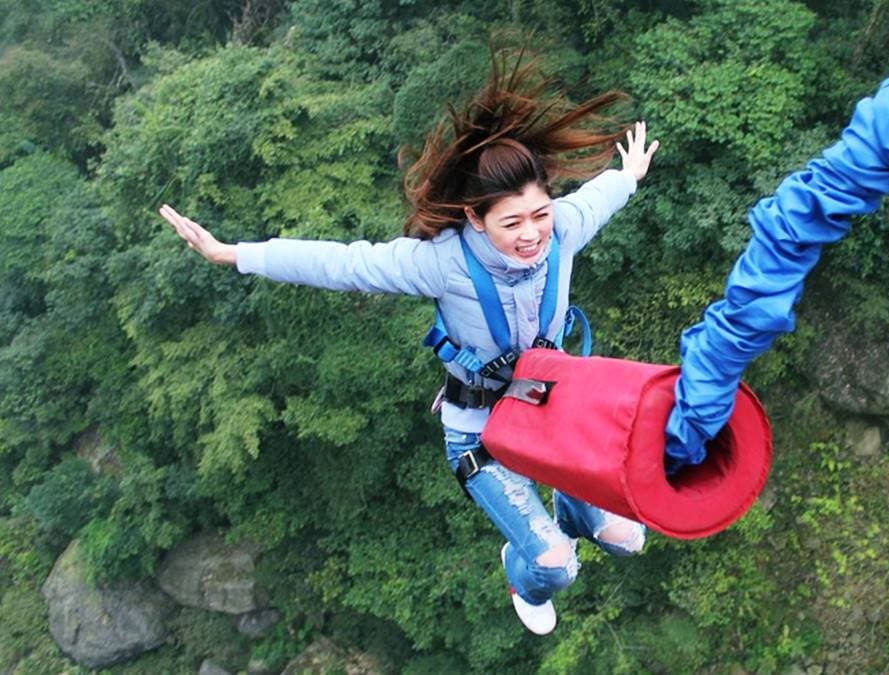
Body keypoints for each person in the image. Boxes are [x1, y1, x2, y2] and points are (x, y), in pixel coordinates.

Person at [158, 52, 659, 635]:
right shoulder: (443, 264)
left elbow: (598, 198)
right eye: (512, 223)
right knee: (554, 568)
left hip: (551, 416)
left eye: (539, 214)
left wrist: (628, 174)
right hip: (482, 434)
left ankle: (570, 511)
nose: (532, 235)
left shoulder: (561, 230)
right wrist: (234, 254)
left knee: (629, 539)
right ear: (475, 218)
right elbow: (342, 264)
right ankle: (521, 568)